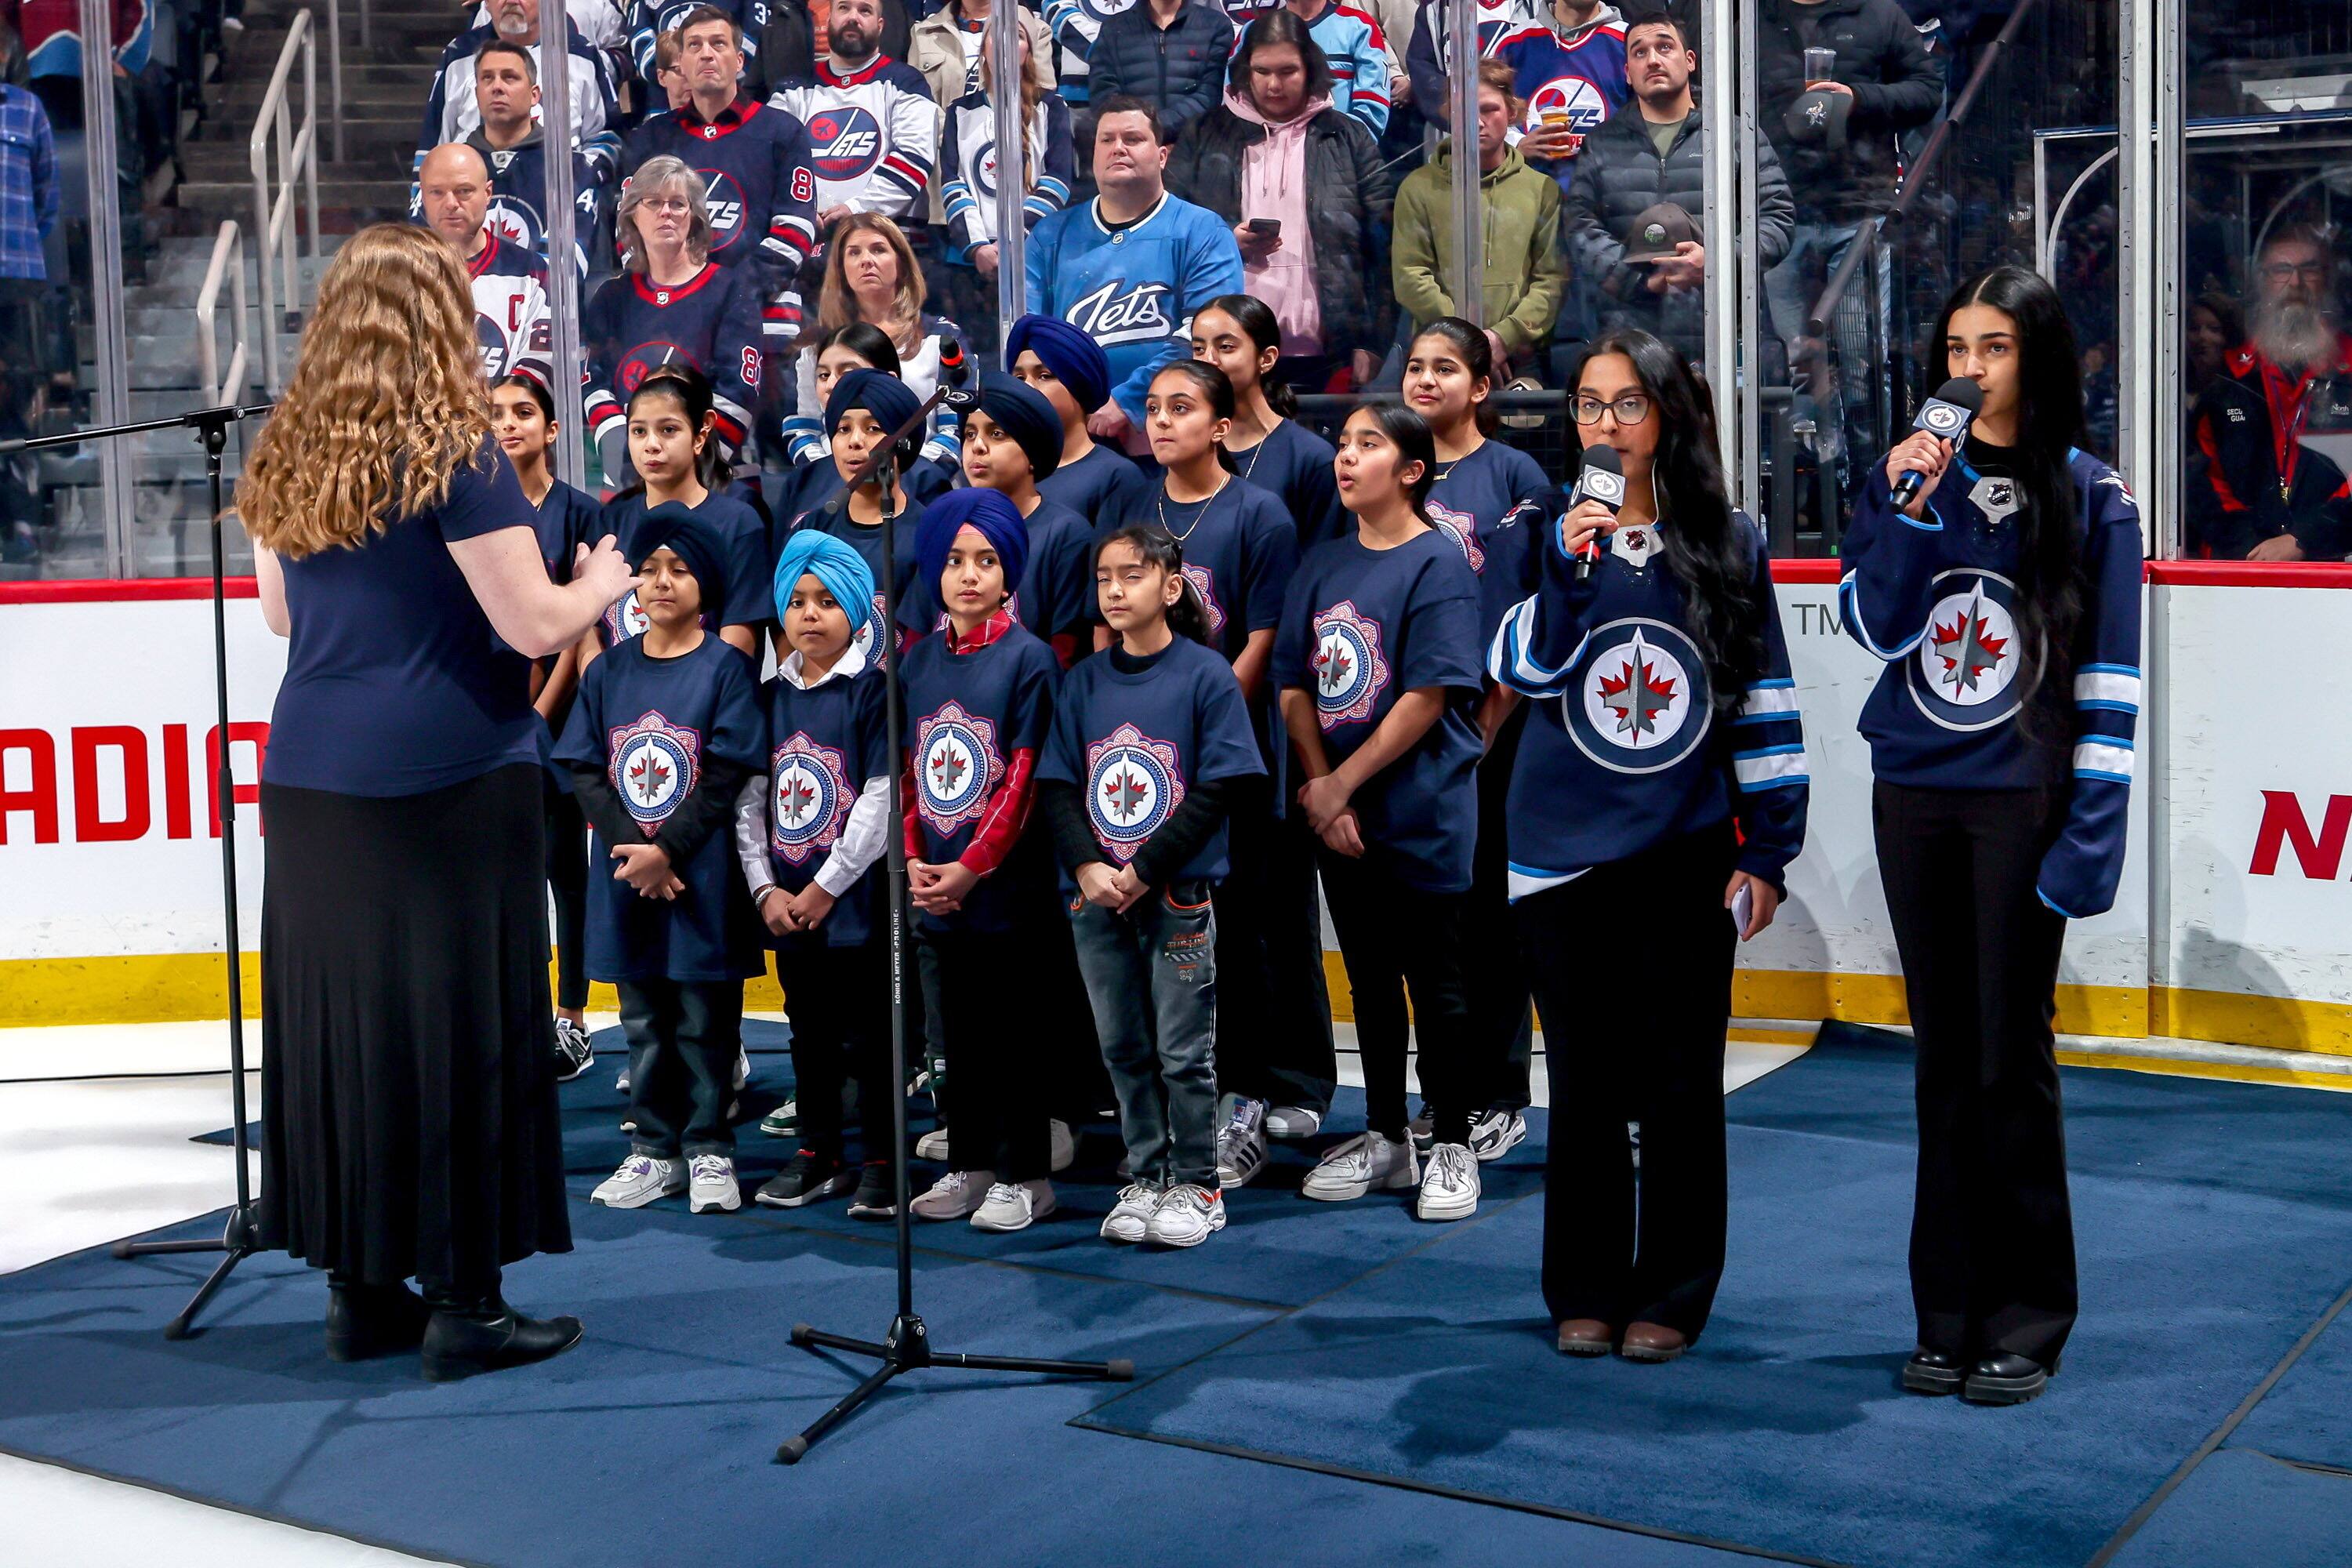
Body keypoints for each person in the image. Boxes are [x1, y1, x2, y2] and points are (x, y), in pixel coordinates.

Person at [241, 223, 634, 1381]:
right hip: (449, 777)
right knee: (463, 1030)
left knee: (347, 1037)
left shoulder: (288, 449)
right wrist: (598, 580)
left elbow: (278, 618)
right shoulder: (455, 452)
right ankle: (465, 1302)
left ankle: (360, 1290)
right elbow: (531, 625)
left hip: (312, 775)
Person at [1839, 266, 2143, 1406]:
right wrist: (1911, 508)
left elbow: (2113, 678)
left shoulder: (2091, 493)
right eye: (1957, 348)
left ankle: (2026, 1316)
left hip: (2022, 801)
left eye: (1996, 347)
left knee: (2009, 1056)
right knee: (1941, 1062)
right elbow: (1873, 624)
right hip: (1915, 788)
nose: (1970, 369)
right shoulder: (1907, 476)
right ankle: (1946, 1313)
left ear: (2041, 358)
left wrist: (2091, 835)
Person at [1489, 327, 1807, 1364]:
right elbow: (1521, 670)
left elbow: (1765, 705)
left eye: (1627, 403)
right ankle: (1582, 1285)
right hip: (1560, 853)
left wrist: (1768, 853)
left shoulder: (1731, 539)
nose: (1604, 424)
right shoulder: (1541, 528)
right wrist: (1572, 573)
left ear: (1670, 413)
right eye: (1588, 404)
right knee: (1579, 1083)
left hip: (1684, 849)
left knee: (1679, 1081)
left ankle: (1672, 1292)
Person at [1275, 401, 1485, 1220]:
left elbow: (1427, 694)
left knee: (1437, 981)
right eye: (1343, 442)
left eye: (1369, 444)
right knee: (1366, 976)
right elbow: (1297, 684)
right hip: (1341, 814)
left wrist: (1340, 785)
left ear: (1410, 470)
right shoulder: (1321, 561)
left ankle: (1455, 1138)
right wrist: (1323, 786)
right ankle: (1387, 1132)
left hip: (1420, 805)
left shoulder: (1439, 563)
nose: (1345, 456)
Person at [1040, 523, 1266, 1247]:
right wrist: (1087, 867)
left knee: (1182, 1051)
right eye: (1104, 578)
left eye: (1131, 576)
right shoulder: (1081, 684)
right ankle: (1144, 1172)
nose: (1114, 590)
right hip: (1095, 900)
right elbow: (1056, 786)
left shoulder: (1205, 676)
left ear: (1171, 588)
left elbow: (1217, 789)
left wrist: (1142, 870)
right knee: (1122, 1047)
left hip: (1175, 898)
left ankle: (1197, 1182)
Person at [562, 505, 767, 1217]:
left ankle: (711, 1147)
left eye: (678, 571)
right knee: (644, 1021)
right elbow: (584, 767)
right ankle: (654, 1150)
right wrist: (633, 852)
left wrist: (667, 850)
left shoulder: (727, 671)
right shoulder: (608, 672)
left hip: (700, 881)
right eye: (648, 571)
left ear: (706, 584)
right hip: (629, 883)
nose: (660, 583)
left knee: (707, 1022)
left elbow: (727, 771)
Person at [901, 488, 1069, 1233]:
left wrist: (971, 866)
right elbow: (908, 770)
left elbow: (1025, 774)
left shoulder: (1028, 658)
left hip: (1006, 886)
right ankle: (967, 1163)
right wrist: (915, 860)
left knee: (1018, 1032)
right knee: (957, 1033)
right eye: (955, 561)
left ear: (1010, 573)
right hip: (936, 883)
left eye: (988, 561)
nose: (970, 575)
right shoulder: (917, 661)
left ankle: (1025, 1174)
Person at [1399, 318, 1548, 1145]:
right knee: (1434, 923)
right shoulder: (1400, 470)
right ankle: (1445, 1092)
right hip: (1414, 729)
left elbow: (1532, 604)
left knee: (1492, 914)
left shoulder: (1515, 472)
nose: (1425, 380)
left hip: (1495, 726)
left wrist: (1493, 714)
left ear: (1482, 386)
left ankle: (1501, 1092)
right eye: (1416, 366)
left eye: (1446, 367)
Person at [740, 529, 899, 1216]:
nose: (810, 614)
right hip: (789, 900)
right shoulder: (768, 696)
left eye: (828, 601)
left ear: (858, 611)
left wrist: (826, 885)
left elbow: (880, 796)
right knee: (806, 1029)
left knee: (869, 1036)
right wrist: (764, 887)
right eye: (799, 601)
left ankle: (883, 1159)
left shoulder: (872, 692)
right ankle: (818, 1149)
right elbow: (750, 797)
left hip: (853, 901)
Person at [1757, 0, 1942, 493]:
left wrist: (1857, 98)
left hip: (1860, 211)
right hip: (1781, 211)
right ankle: (1820, 486)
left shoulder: (1880, 15)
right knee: (1798, 361)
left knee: (1864, 362)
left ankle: (1870, 484)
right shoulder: (1751, 19)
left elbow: (1928, 91)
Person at [1165, 12, 1393, 392]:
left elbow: (1382, 248)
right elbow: (1169, 233)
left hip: (1331, 352)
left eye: (1288, 71)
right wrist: (1224, 244)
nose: (1274, 84)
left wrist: (1373, 342)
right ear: (1245, 71)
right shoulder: (1202, 135)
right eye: (1262, 71)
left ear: (1310, 68)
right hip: (1221, 356)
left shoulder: (1349, 137)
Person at [492, 372, 608, 1084]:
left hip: (559, 726)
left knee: (569, 871)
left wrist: (543, 710)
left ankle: (572, 1019)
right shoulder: (476, 508)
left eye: (524, 413)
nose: (508, 425)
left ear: (553, 429)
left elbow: (580, 620)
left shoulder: (581, 513)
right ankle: (525, 1012)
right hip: (498, 715)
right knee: (514, 876)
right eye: (496, 414)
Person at [1563, 9, 1793, 364]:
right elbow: (1579, 225)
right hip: (1631, 337)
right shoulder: (1602, 143)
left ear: (1690, 61)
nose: (1653, 59)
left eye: (1664, 47)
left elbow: (1776, 219)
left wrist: (1717, 263)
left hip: (1729, 334)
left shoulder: (1735, 134)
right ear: (1627, 73)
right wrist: (1639, 281)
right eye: (1639, 52)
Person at [1025, 98, 1246, 451]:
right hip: (1072, 434)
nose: (1119, 149)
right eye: (1107, 140)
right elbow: (1030, 336)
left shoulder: (1202, 231)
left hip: (1172, 434)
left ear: (1162, 156)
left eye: (1133, 139)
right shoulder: (1049, 236)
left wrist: (1130, 400)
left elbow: (1206, 335)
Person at [622, 5, 819, 350]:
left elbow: (795, 231)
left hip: (766, 324)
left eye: (718, 44)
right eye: (695, 46)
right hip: (673, 324)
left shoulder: (782, 131)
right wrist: (678, 292)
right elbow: (629, 231)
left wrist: (729, 294)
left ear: (740, 61)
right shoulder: (650, 139)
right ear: (680, 63)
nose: (707, 54)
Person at [581, 155, 766, 476]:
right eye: (653, 202)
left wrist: (691, 466)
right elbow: (592, 380)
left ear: (694, 218)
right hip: (629, 476)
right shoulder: (611, 297)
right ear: (632, 216)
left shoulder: (728, 289)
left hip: (707, 479)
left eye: (678, 204)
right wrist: (628, 455)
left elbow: (740, 386)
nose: (666, 213)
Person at [1392, 60, 1568, 381]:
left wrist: (1503, 338)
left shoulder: (1541, 189)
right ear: (1449, 116)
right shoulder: (1417, 187)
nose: (1477, 121)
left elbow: (1552, 280)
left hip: (1520, 355)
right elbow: (1410, 275)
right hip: (1438, 353)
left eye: (1489, 109)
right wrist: (1470, 343)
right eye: (1464, 110)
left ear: (1511, 113)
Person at [2187, 224, 2352, 562]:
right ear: (2261, 282)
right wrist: (2255, 551)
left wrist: (2304, 540)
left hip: (2336, 571)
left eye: (2309, 268)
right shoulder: (2229, 385)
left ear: (2329, 280)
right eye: (2281, 270)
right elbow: (2206, 485)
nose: (2295, 283)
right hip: (2240, 574)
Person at [590, 367, 775, 662]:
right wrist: (605, 693)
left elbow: (739, 643)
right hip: (621, 698)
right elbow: (589, 627)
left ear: (700, 437)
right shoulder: (610, 521)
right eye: (639, 431)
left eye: (668, 430)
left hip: (707, 699)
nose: (651, 445)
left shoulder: (738, 521)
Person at [776, 368, 929, 670]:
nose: (855, 442)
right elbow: (788, 634)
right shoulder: (811, 529)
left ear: (904, 442)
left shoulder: (929, 533)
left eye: (873, 429)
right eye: (843, 429)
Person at [790, 214, 965, 470]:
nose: (866, 261)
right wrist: (833, 479)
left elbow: (958, 425)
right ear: (840, 268)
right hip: (839, 490)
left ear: (902, 263)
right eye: (854, 253)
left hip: (925, 489)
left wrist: (915, 476)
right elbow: (803, 428)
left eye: (878, 249)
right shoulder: (815, 345)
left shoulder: (940, 338)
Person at [937, 28, 1073, 351]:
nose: (1007, 43)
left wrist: (1014, 240)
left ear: (1030, 49)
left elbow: (1059, 180)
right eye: (995, 36)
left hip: (1034, 257)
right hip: (971, 265)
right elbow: (953, 183)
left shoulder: (1052, 106)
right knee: (979, 361)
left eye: (1018, 36)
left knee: (1034, 354)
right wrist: (978, 247)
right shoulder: (960, 111)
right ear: (983, 48)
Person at [960, 372, 1098, 667]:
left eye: (997, 434)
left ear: (1032, 453)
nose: (978, 446)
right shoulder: (952, 526)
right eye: (970, 434)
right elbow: (920, 639)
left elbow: (1066, 650)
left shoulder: (1065, 533)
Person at [764, 0, 938, 228]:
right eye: (844, 8)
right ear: (829, 20)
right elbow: (767, 160)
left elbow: (914, 157)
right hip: (809, 234)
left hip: (889, 233)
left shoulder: (907, 82)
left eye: (864, 10)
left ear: (880, 25)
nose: (853, 17)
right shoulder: (792, 90)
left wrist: (857, 209)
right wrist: (797, 209)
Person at [1192, 293, 1342, 548]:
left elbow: (1323, 557)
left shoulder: (1309, 457)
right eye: (1198, 348)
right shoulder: (1190, 445)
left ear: (1267, 358)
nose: (1209, 359)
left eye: (1225, 347)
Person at [459, 40, 622, 271]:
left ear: (534, 95)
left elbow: (570, 268)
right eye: (487, 78)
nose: (497, 87)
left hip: (541, 304)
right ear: (477, 94)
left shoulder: (572, 169)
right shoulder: (452, 170)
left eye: (509, 77)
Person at [419, 0, 615, 182]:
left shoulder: (581, 53)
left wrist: (581, 181)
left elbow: (605, 138)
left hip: (557, 200)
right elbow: (434, 144)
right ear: (486, 3)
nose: (512, 1)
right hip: (471, 200)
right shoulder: (458, 54)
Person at [417, 142, 554, 389]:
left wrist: (504, 412)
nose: (451, 203)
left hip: (504, 423)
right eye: (437, 192)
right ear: (422, 196)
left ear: (488, 193)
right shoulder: (401, 270)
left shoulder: (530, 270)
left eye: (464, 191)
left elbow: (543, 359)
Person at [778, 321, 960, 503]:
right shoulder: (802, 485)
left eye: (847, 372)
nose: (831, 385)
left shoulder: (926, 481)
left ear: (890, 380)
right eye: (824, 375)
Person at [1006, 312, 1157, 528]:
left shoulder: (1116, 476)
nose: (1026, 387)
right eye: (1019, 378)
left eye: (1045, 376)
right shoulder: (1008, 471)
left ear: (1080, 387)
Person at [1233, 0, 1393, 135]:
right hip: (1261, 158)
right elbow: (1233, 103)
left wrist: (1339, 151)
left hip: (1338, 159)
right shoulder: (1252, 31)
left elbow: (1373, 111)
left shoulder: (1359, 26)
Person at [1086, 0, 1233, 142]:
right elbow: (1104, 95)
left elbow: (1210, 95)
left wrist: (1154, 128)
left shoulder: (1216, 25)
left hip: (1195, 148)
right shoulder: (1113, 29)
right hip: (1131, 147)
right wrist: (1140, 135)